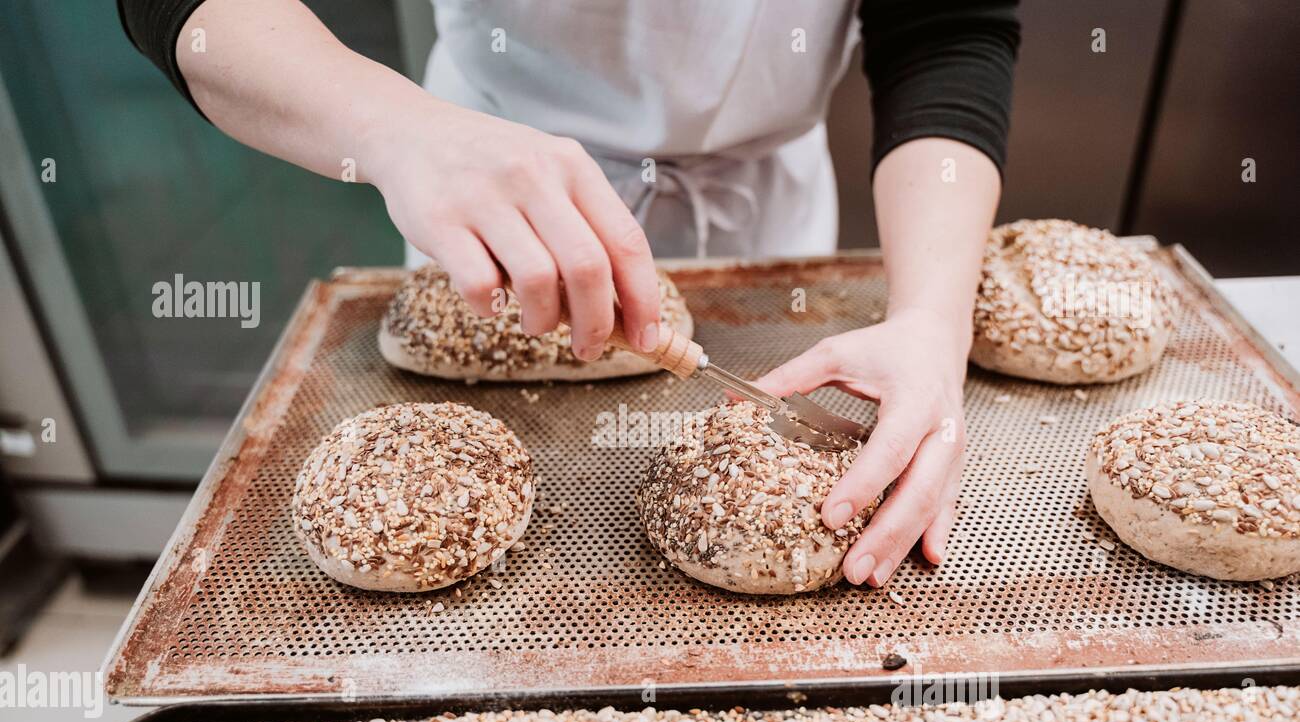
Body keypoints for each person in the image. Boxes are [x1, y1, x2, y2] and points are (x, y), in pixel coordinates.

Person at [118, 0, 1020, 588]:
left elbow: (946, 28)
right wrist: (390, 131)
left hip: (760, 208)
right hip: (475, 181)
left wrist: (933, 320)